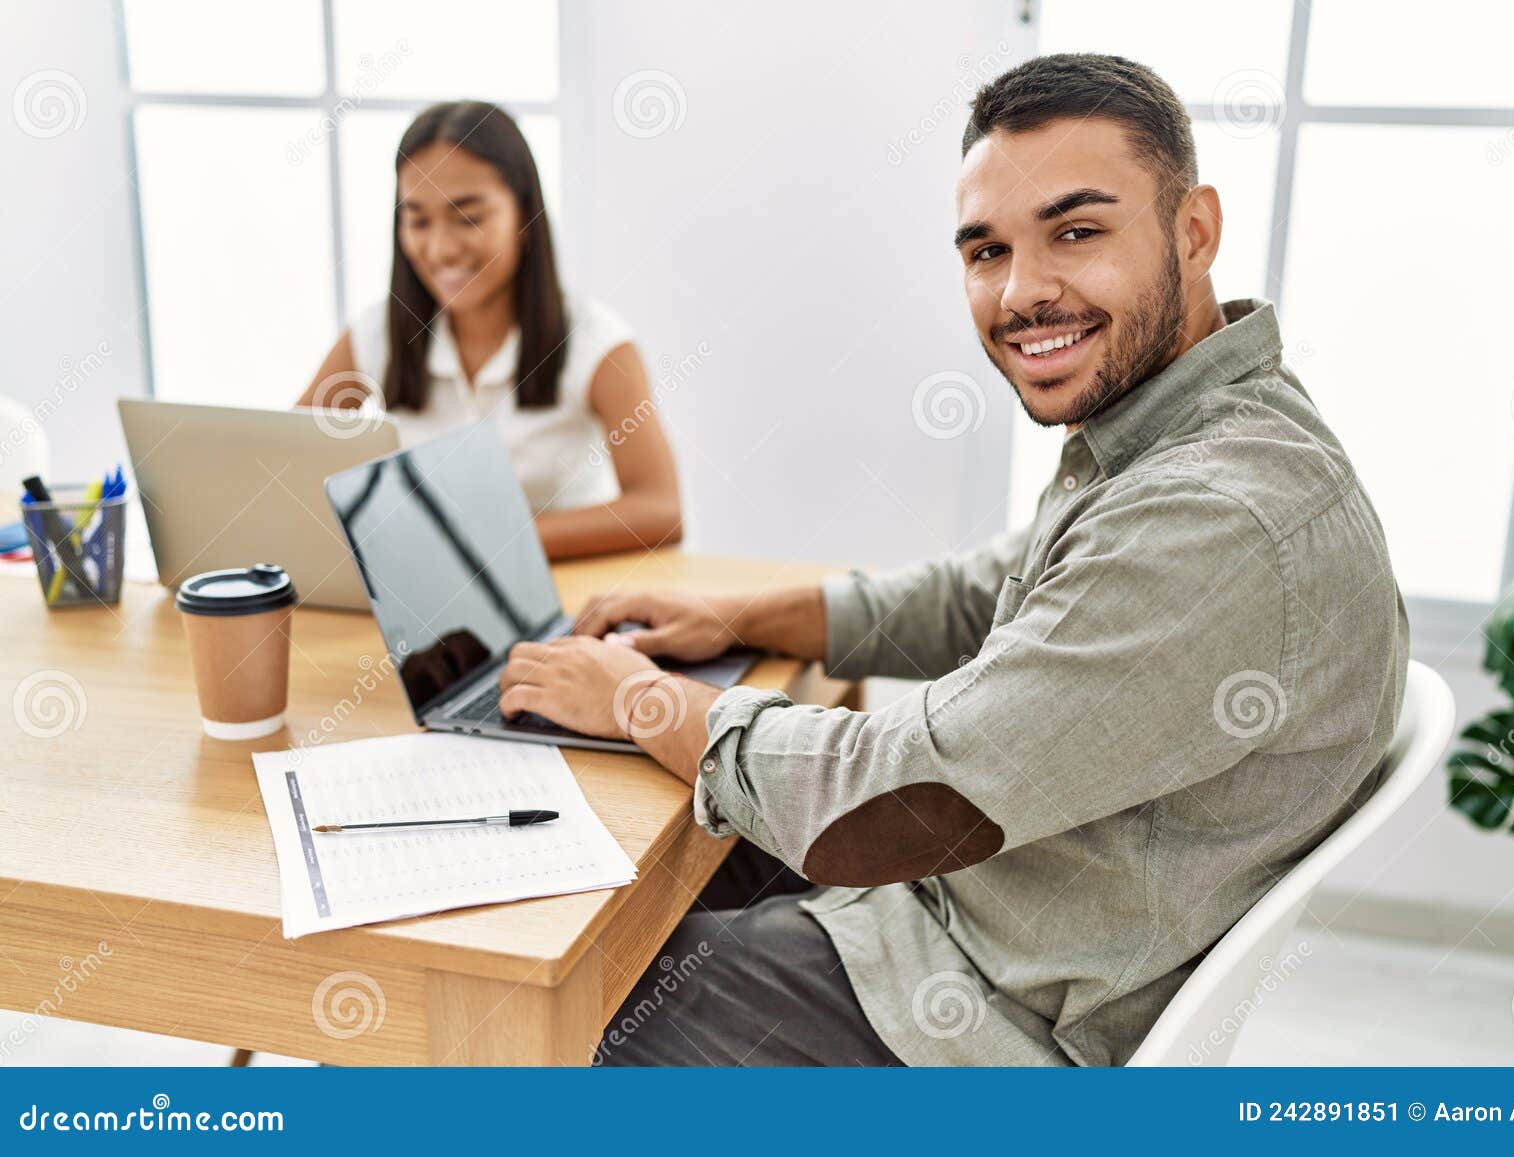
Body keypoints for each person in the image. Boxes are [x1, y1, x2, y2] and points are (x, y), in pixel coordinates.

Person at [499, 54, 1410, 1066]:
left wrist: (635, 696)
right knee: (603, 880)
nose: (1021, 292)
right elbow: (990, 591)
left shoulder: (1215, 516)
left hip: (973, 1017)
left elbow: (894, 803)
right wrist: (747, 615)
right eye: (986, 250)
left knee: (517, 999)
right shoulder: (1191, 431)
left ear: (1192, 231)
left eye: (1076, 231)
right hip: (982, 930)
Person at [298, 101, 682, 560]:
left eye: (469, 217)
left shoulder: (596, 342)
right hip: (427, 597)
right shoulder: (376, 334)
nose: (439, 249)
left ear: (523, 214)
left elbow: (661, 510)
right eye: (418, 220)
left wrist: (494, 543)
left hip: (567, 599)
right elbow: (285, 471)